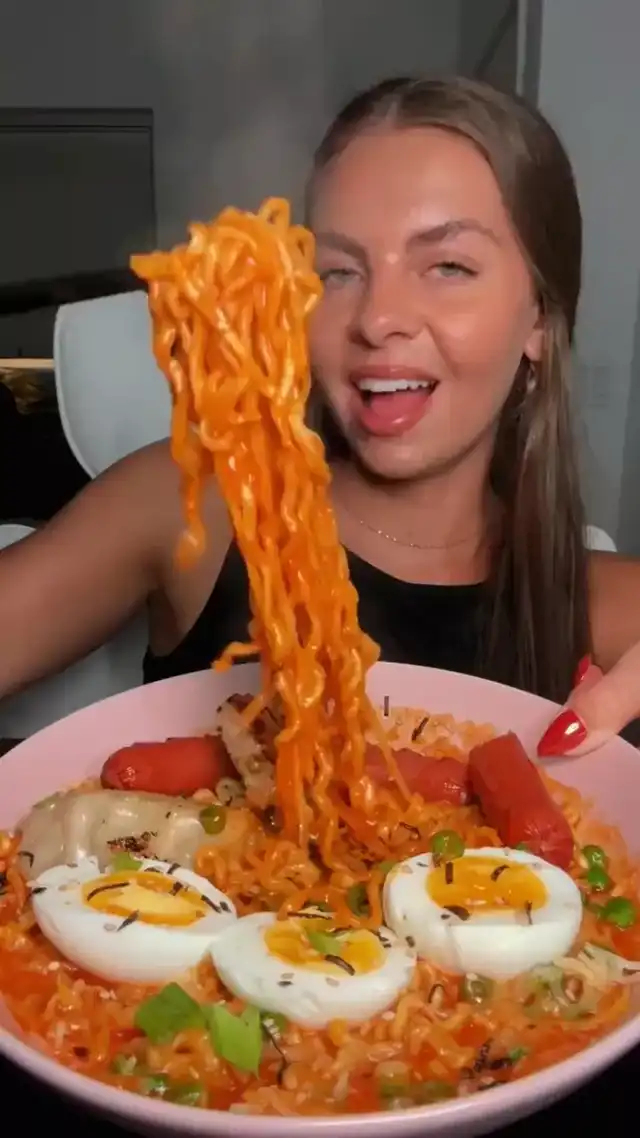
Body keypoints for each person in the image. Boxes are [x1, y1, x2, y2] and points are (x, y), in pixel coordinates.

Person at [0, 76, 637, 757]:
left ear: (539, 318)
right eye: (339, 272)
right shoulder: (199, 501)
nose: (378, 319)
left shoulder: (602, 603)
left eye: (448, 266)